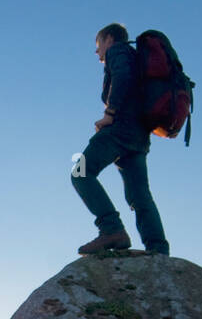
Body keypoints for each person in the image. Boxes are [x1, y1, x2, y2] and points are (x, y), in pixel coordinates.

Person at [71, 23, 170, 256]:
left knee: (81, 173)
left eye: (98, 45)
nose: (97, 52)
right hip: (139, 136)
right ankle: (157, 248)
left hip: (120, 129)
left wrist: (109, 114)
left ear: (109, 39)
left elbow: (122, 77)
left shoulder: (119, 52)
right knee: (139, 194)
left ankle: (111, 229)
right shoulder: (137, 59)